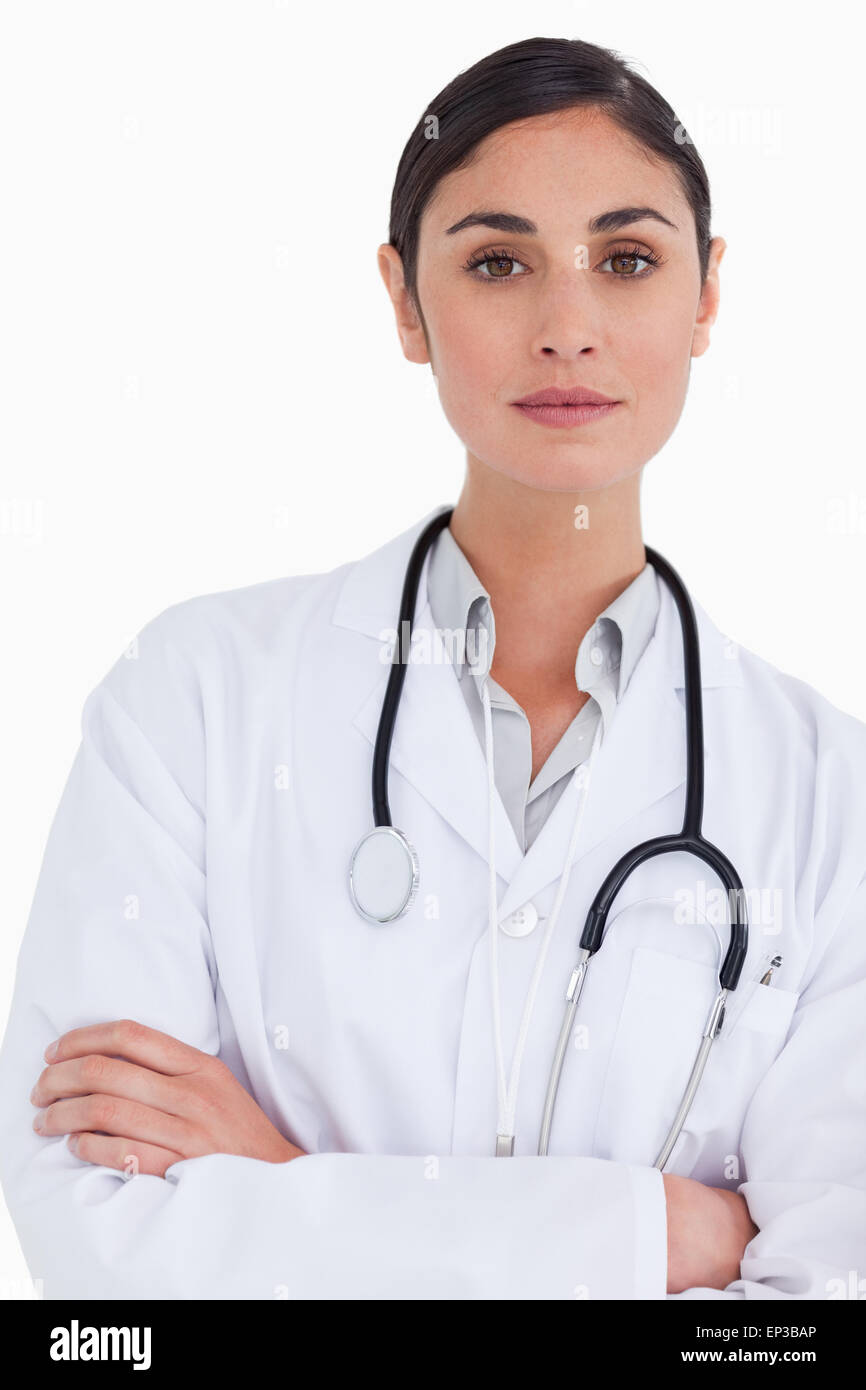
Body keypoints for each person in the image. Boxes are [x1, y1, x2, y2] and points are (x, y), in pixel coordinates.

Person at [1, 35, 864, 1301]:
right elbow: (103, 1254)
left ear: (705, 295)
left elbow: (814, 1314)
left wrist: (281, 1181)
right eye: (498, 262)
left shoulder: (827, 791)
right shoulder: (190, 700)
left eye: (625, 260)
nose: (566, 327)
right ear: (405, 301)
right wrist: (655, 1239)